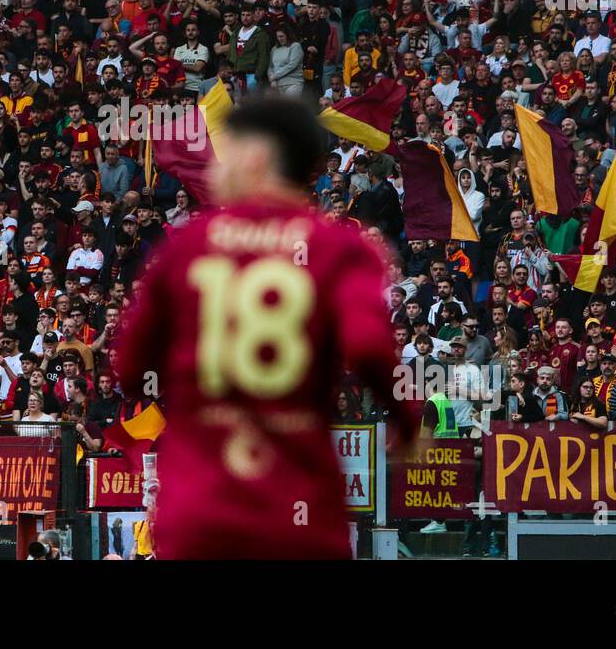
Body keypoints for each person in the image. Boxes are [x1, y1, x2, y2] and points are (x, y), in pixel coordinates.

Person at [117, 97, 418, 559]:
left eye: (225, 149)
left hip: (200, 510)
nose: (216, 166)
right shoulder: (340, 248)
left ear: (256, 157)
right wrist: (405, 421)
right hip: (298, 509)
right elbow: (372, 349)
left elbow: (130, 364)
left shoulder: (188, 246)